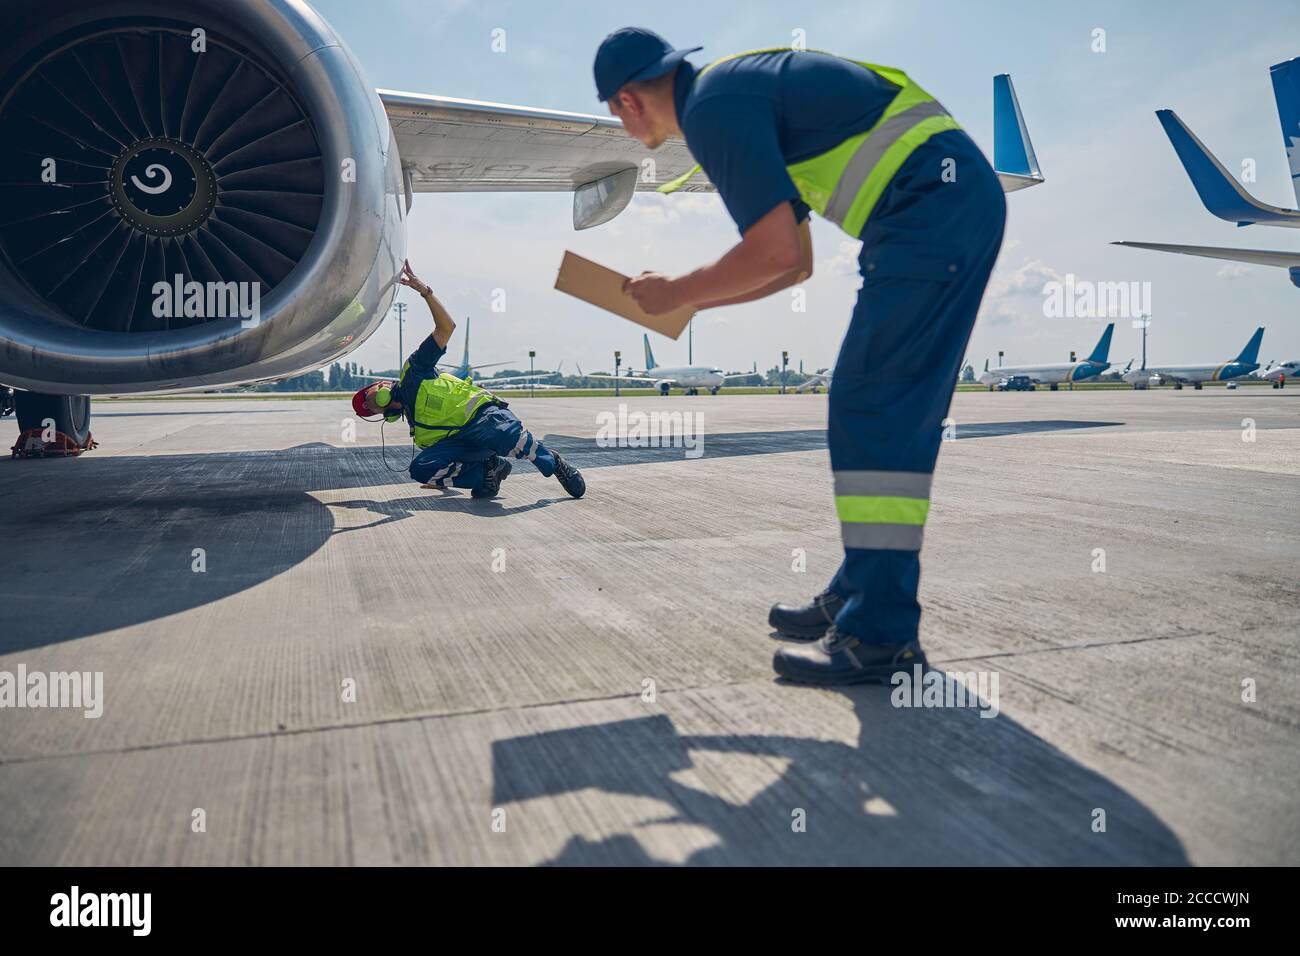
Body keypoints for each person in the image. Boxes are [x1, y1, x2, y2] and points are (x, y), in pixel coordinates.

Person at [594, 29, 1006, 685]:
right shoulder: (728, 92)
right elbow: (795, 264)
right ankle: (856, 595)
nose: (618, 126)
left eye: (613, 112)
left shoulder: (710, 112)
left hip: (930, 214)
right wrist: (689, 302)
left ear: (627, 100)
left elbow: (779, 256)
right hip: (940, 209)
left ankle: (881, 636)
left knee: (875, 408)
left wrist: (677, 290)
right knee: (874, 407)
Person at [352, 261, 586, 500]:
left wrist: (425, 292)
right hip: (468, 443)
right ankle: (489, 470)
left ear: (379, 386)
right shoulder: (419, 433)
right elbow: (445, 456)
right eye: (367, 409)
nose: (367, 402)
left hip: (485, 418)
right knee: (420, 467)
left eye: (366, 396)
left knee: (507, 438)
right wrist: (439, 480)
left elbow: (446, 328)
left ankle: (553, 462)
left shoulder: (413, 373)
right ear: (382, 412)